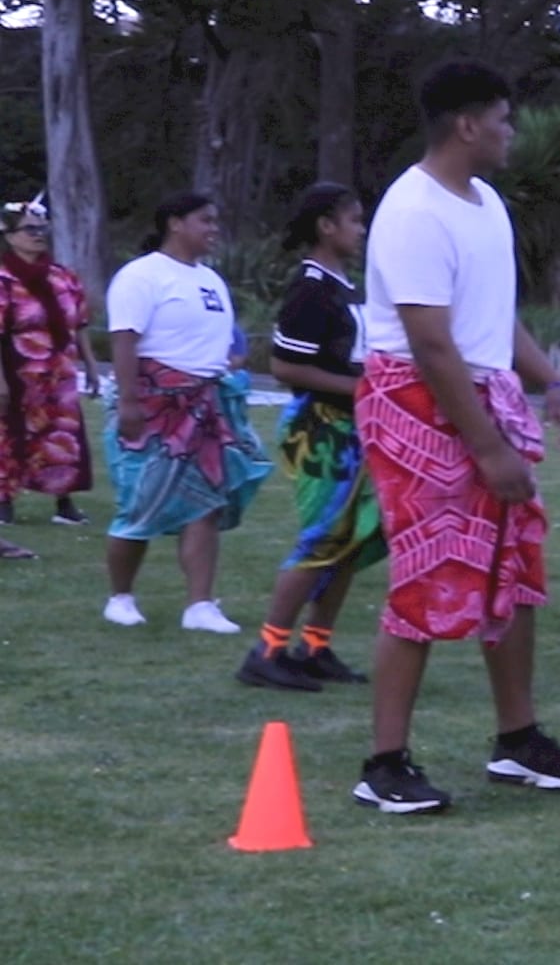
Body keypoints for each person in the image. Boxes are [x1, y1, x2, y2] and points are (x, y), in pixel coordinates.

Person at [351, 61, 560, 814]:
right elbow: (430, 343)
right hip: (418, 401)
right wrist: (489, 448)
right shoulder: (414, 211)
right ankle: (384, 765)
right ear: (467, 125)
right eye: (502, 119)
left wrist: (546, 380)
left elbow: (491, 313)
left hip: (481, 389)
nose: (510, 132)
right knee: (426, 577)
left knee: (514, 572)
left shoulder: (486, 203)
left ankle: (518, 740)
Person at [235, 183, 385, 692]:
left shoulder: (344, 285)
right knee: (323, 536)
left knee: (349, 539)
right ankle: (267, 650)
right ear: (326, 226)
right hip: (323, 429)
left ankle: (316, 646)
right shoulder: (311, 287)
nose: (361, 230)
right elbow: (284, 366)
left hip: (354, 427)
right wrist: (360, 389)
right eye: (354, 220)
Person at [101, 192, 272, 632]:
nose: (214, 229)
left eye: (215, 221)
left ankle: (200, 606)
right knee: (140, 503)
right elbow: (124, 340)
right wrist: (129, 403)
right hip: (154, 406)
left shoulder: (210, 279)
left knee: (205, 503)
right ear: (175, 223)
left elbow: (220, 339)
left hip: (206, 406)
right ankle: (120, 597)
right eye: (205, 220)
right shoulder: (142, 275)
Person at [0, 196, 98, 527]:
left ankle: (64, 501)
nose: (38, 235)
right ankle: (4, 500)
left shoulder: (62, 277)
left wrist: (90, 364)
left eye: (42, 229)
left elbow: (79, 323)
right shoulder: (3, 279)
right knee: (10, 434)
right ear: (9, 236)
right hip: (18, 373)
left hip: (60, 374)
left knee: (63, 434)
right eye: (30, 230)